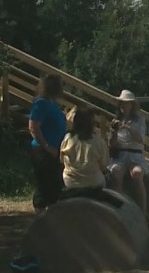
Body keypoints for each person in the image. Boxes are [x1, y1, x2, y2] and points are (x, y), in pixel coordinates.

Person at [27, 74, 67, 213]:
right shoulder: (41, 103)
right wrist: (46, 146)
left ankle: (51, 215)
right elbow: (33, 126)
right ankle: (41, 216)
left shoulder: (54, 103)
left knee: (55, 184)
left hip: (55, 150)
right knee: (45, 184)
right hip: (43, 151)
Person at [109, 89, 149, 216]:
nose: (123, 106)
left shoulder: (139, 120)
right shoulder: (116, 120)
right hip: (120, 155)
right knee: (116, 172)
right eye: (121, 103)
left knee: (137, 174)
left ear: (132, 105)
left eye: (126, 103)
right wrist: (114, 131)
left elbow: (140, 139)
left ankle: (143, 212)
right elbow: (113, 144)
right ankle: (120, 211)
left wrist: (127, 127)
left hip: (135, 155)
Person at [60, 106, 110, 191]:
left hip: (71, 182)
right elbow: (104, 165)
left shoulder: (67, 139)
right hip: (94, 182)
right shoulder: (99, 141)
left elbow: (61, 160)